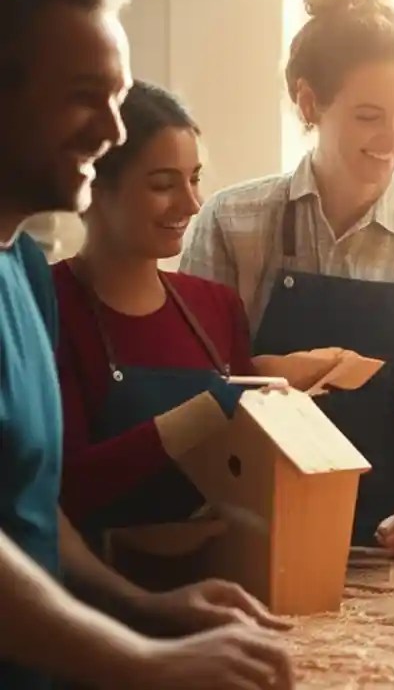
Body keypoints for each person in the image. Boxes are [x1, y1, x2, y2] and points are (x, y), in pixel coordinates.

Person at [0, 0, 292, 688]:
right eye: (83, 98)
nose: (113, 131)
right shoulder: (63, 294)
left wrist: (149, 608)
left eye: (116, 98)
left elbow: (33, 512)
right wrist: (139, 659)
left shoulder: (24, 273)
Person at [181, 0, 394, 561]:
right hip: (254, 540)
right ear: (308, 101)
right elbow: (199, 399)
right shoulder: (231, 224)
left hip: (392, 546)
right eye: (369, 115)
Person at [54, 81, 255, 555]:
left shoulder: (217, 308)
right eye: (164, 185)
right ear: (95, 187)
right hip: (95, 596)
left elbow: (250, 470)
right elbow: (63, 489)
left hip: (217, 578)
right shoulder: (45, 302)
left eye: (194, 178)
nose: (191, 204)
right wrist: (200, 414)